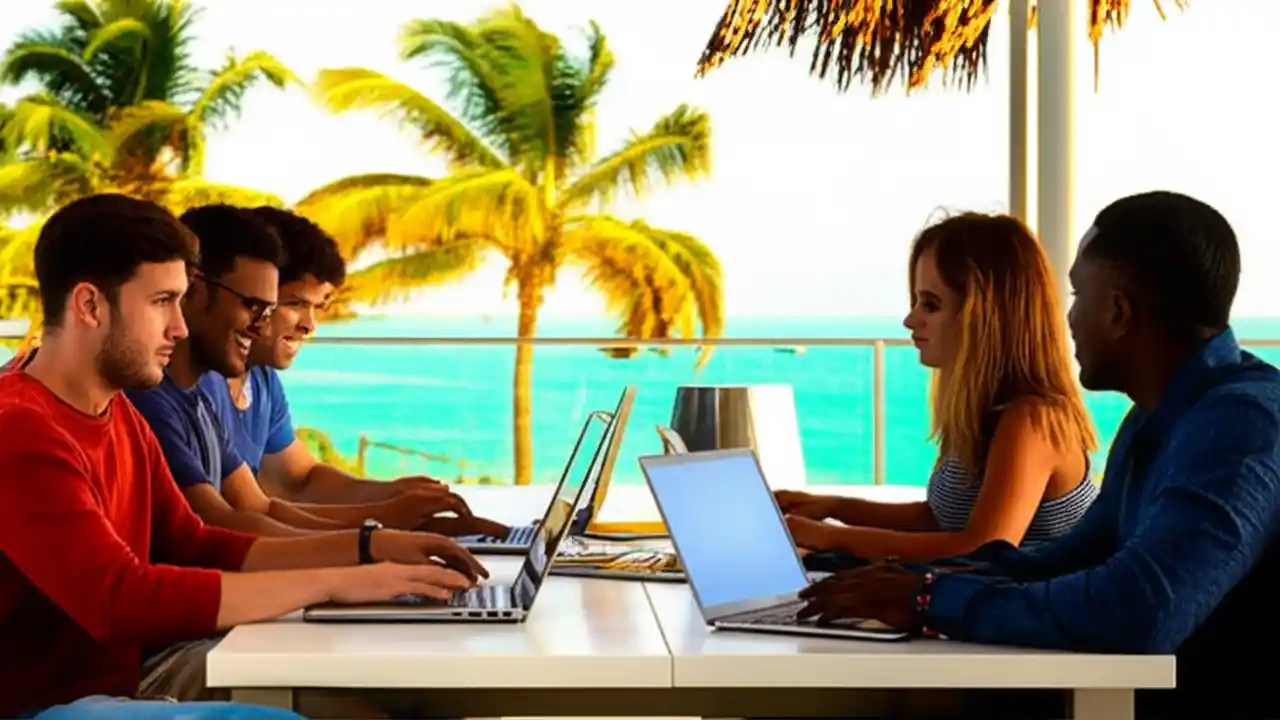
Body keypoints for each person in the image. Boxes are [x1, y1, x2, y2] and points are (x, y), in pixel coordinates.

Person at [0, 194, 486, 718]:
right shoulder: (21, 428)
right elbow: (118, 597)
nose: (179, 328)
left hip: (116, 686)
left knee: (428, 694)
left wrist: (370, 550)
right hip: (44, 706)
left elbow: (198, 541)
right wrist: (338, 578)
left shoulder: (118, 414)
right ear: (90, 305)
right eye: (162, 301)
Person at [798, 191, 1280, 719]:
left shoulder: (1241, 426)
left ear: (1118, 311)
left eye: (1078, 294)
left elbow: (1139, 610)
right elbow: (1071, 557)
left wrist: (928, 599)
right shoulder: (1155, 417)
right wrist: (897, 576)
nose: (1067, 318)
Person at [777, 213, 1098, 563]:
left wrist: (829, 536)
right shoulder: (981, 410)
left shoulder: (1032, 421)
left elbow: (982, 551)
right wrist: (832, 507)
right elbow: (938, 519)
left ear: (985, 317)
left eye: (930, 304)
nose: (911, 320)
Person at [196, 206, 508, 538]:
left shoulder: (260, 379)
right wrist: (385, 523)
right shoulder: (199, 386)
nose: (310, 325)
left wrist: (394, 496)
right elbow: (245, 515)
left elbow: (299, 481)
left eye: (320, 307)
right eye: (295, 304)